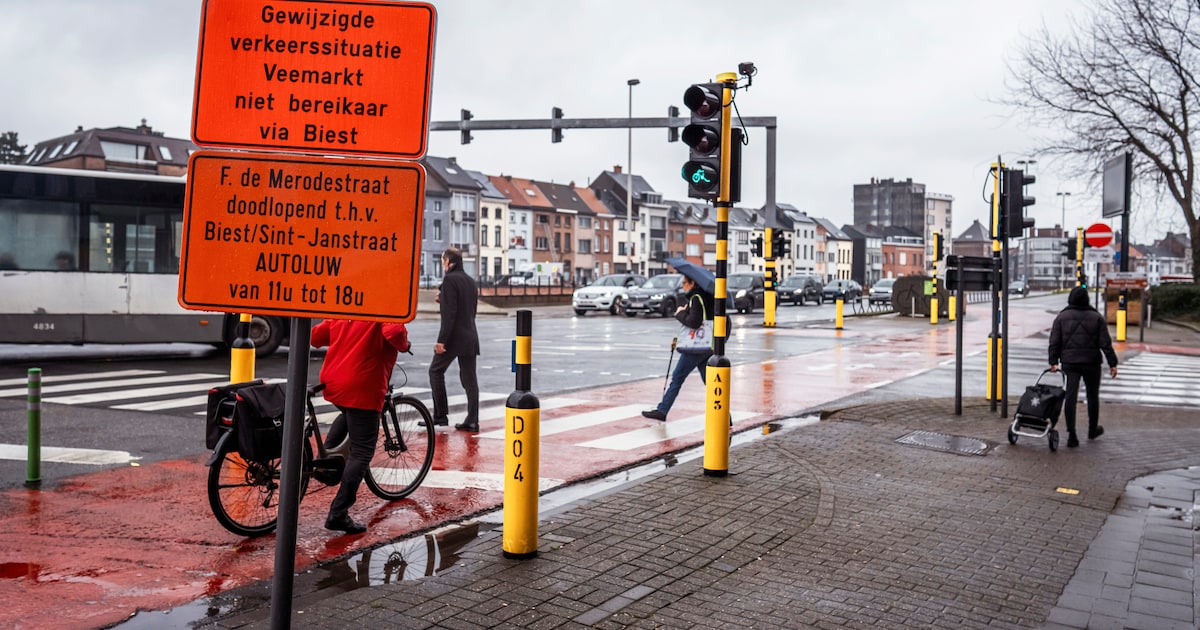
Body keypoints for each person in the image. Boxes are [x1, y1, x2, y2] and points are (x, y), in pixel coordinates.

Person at [311, 318, 411, 534]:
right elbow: (394, 332)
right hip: (363, 383)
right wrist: (405, 345)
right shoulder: (382, 307)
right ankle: (339, 513)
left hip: (334, 379)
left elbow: (316, 336)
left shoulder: (352, 306)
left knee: (349, 412)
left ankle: (328, 467)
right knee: (363, 451)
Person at [1048, 286, 1119, 448]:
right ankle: (1092, 429)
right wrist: (1112, 363)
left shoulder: (1061, 317)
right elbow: (1105, 343)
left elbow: (1054, 342)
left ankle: (1072, 434)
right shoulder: (1096, 318)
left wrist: (1053, 361)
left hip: (1070, 363)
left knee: (1070, 397)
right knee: (1092, 396)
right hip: (1092, 363)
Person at [642, 275, 714, 421]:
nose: (682, 287)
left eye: (684, 283)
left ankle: (662, 411)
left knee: (677, 378)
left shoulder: (696, 299)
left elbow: (693, 322)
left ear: (692, 283)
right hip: (706, 345)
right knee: (711, 383)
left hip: (694, 348)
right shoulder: (707, 298)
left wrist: (680, 313)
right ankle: (725, 415)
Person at [426, 247, 481, 432]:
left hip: (453, 339)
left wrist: (441, 341)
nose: (443, 266)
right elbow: (465, 307)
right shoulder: (470, 281)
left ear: (449, 262)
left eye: (443, 262)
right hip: (470, 336)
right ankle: (472, 420)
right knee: (470, 381)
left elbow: (450, 314)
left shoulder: (449, 280)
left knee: (435, 371)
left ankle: (440, 415)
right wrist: (444, 299)